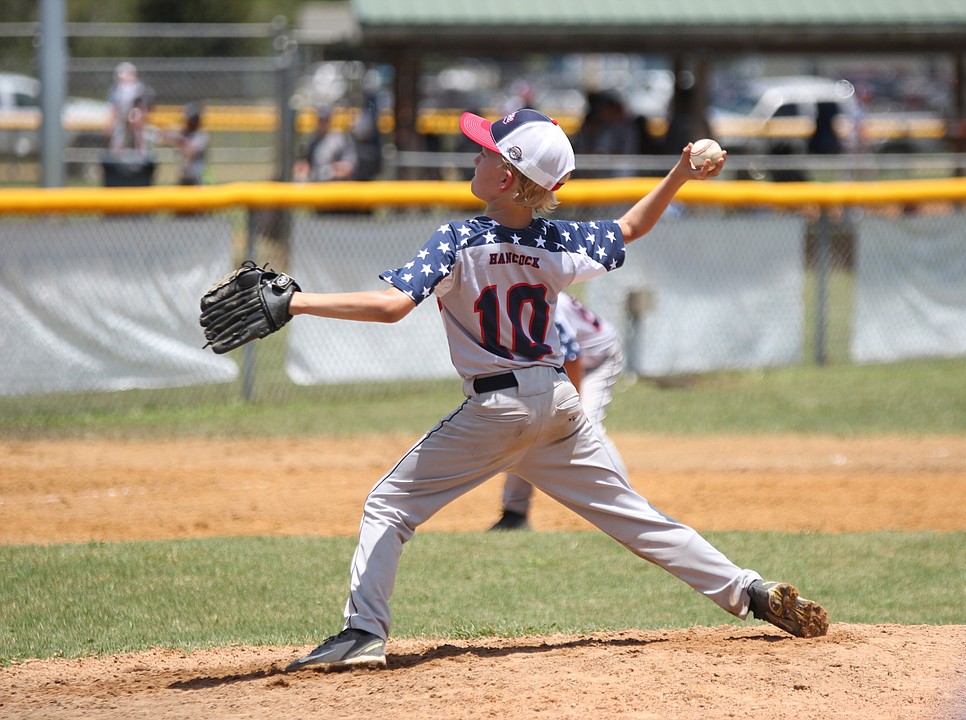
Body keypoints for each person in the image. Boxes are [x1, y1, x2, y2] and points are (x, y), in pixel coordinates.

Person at [284, 108, 829, 671]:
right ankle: (750, 590)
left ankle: (362, 632)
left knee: (389, 505)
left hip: (497, 406)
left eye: (487, 152)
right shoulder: (555, 240)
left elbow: (391, 306)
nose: (477, 155)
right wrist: (680, 174)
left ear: (504, 178)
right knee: (635, 516)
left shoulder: (458, 237)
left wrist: (293, 301)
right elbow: (631, 229)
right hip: (557, 402)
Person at [490, 291, 625, 531]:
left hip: (596, 360)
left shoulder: (540, 301)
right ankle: (514, 513)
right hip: (559, 365)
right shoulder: (502, 300)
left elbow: (574, 357)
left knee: (586, 427)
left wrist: (573, 410)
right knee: (527, 425)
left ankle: (626, 505)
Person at [293, 104, 358, 182]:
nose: (323, 123)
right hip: (317, 185)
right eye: (320, 120)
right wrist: (302, 169)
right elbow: (306, 164)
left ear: (330, 120)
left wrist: (335, 169)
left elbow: (349, 166)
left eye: (325, 119)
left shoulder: (341, 139)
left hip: (336, 185)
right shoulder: (313, 141)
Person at [162, 103, 209, 185]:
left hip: (196, 178)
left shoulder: (201, 135)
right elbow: (164, 136)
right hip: (183, 176)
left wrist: (180, 140)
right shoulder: (184, 132)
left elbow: (190, 152)